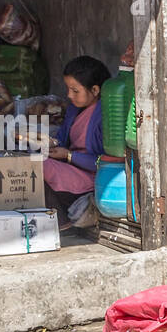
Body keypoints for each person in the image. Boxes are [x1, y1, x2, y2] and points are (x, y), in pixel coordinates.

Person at [44, 55, 110, 231]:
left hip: (92, 176)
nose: (68, 95)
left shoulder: (105, 115)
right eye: (68, 89)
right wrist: (46, 141)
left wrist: (69, 155)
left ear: (95, 90)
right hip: (71, 168)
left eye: (75, 90)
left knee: (39, 165)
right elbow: (62, 139)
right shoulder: (74, 108)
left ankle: (60, 220)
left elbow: (104, 161)